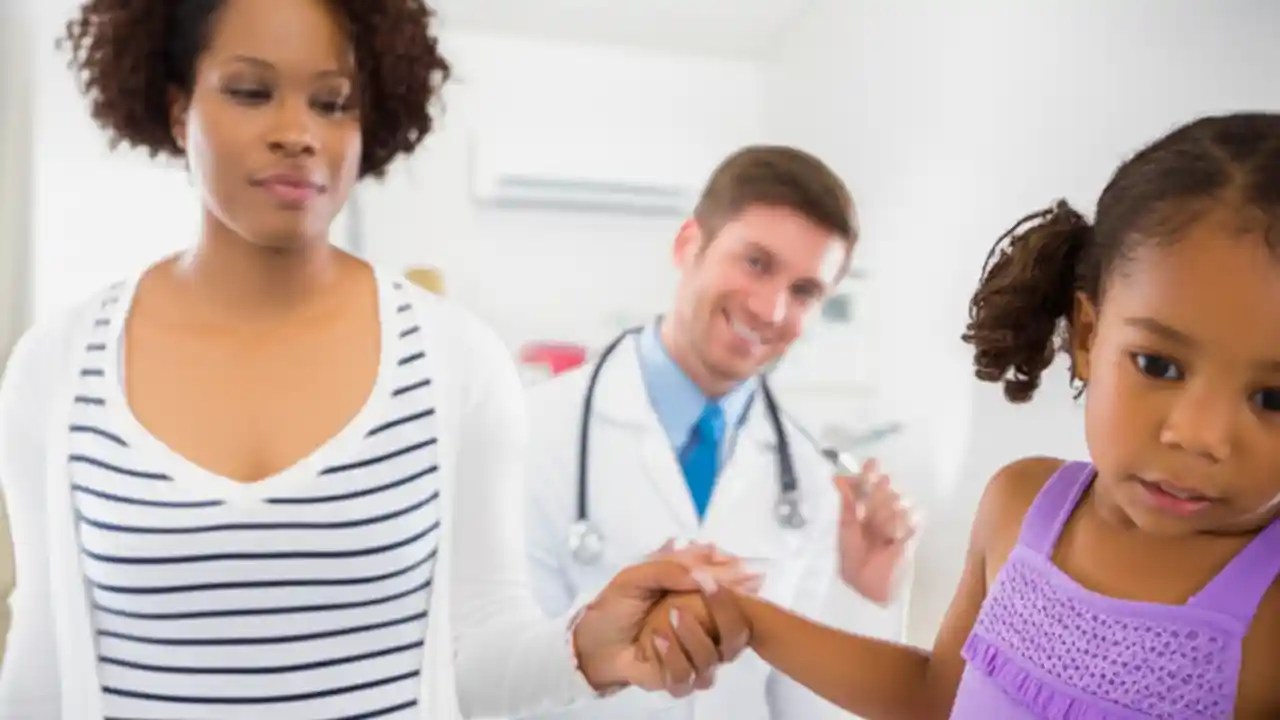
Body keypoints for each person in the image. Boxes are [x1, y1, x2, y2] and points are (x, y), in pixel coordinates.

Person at [0, 1, 752, 718]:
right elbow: (39, 668)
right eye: (252, 91)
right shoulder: (58, 368)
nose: (297, 132)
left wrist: (588, 647)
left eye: (332, 103)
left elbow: (478, 654)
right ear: (176, 108)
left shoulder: (457, 363)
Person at [645, 114, 1280, 719]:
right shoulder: (1021, 503)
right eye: (1159, 366)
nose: (1200, 436)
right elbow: (935, 696)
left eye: (1272, 399)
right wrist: (752, 619)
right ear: (1087, 337)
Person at [520, 146, 917, 719]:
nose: (772, 309)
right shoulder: (540, 430)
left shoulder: (808, 479)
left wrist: (865, 596)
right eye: (756, 262)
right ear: (688, 245)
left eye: (805, 291)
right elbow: (496, 680)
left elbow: (807, 711)